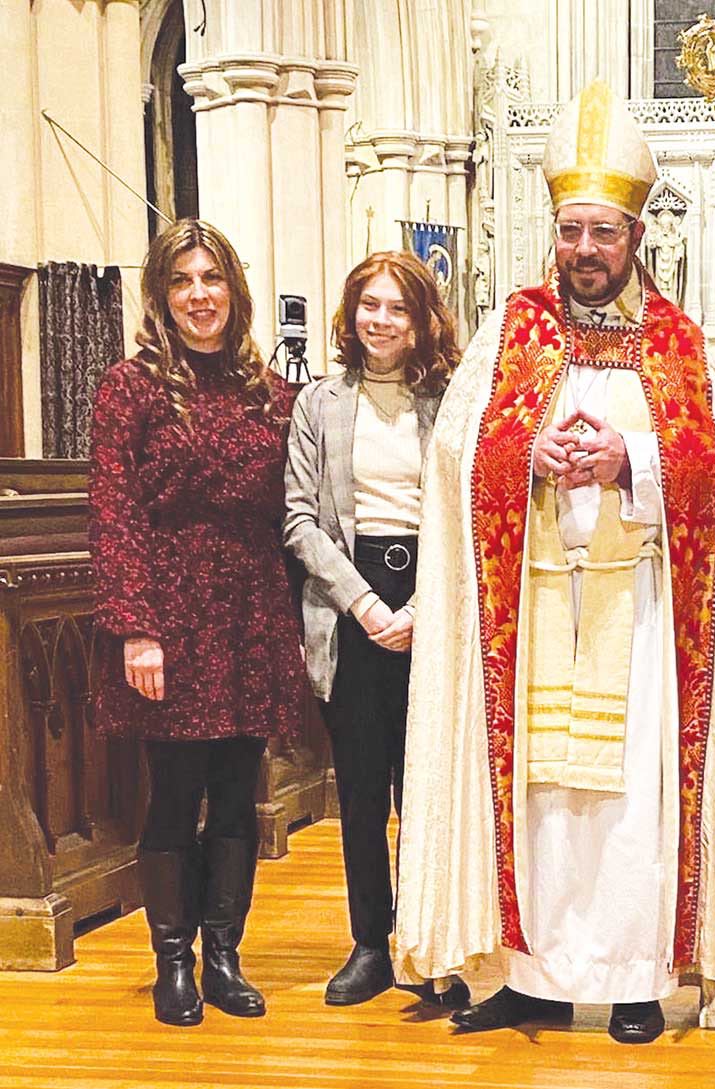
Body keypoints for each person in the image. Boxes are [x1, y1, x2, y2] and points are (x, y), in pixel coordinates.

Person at [393, 79, 715, 1045]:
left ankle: (636, 980)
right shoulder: (515, 327)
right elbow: (455, 448)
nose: (583, 252)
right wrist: (524, 453)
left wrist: (631, 461)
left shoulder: (677, 341)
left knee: (626, 805)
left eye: (602, 234)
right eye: (570, 232)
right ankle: (529, 975)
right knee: (536, 794)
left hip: (643, 611)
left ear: (635, 237)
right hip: (525, 609)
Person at [89, 218, 306, 1026]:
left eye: (211, 279)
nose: (199, 295)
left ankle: (224, 954)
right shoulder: (130, 388)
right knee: (175, 796)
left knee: (236, 794)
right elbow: (113, 513)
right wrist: (135, 628)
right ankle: (172, 960)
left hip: (249, 610)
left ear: (234, 291)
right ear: (161, 294)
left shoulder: (269, 394)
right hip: (171, 616)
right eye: (182, 281)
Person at [283, 252, 468, 1009]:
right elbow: (299, 516)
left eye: (397, 307)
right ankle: (370, 941)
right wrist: (363, 604)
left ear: (423, 318)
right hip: (352, 602)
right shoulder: (319, 404)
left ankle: (432, 946)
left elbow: (466, 512)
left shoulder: (450, 401)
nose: (380, 320)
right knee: (362, 790)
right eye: (369, 305)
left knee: (428, 787)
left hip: (433, 597)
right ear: (349, 313)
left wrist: (424, 605)